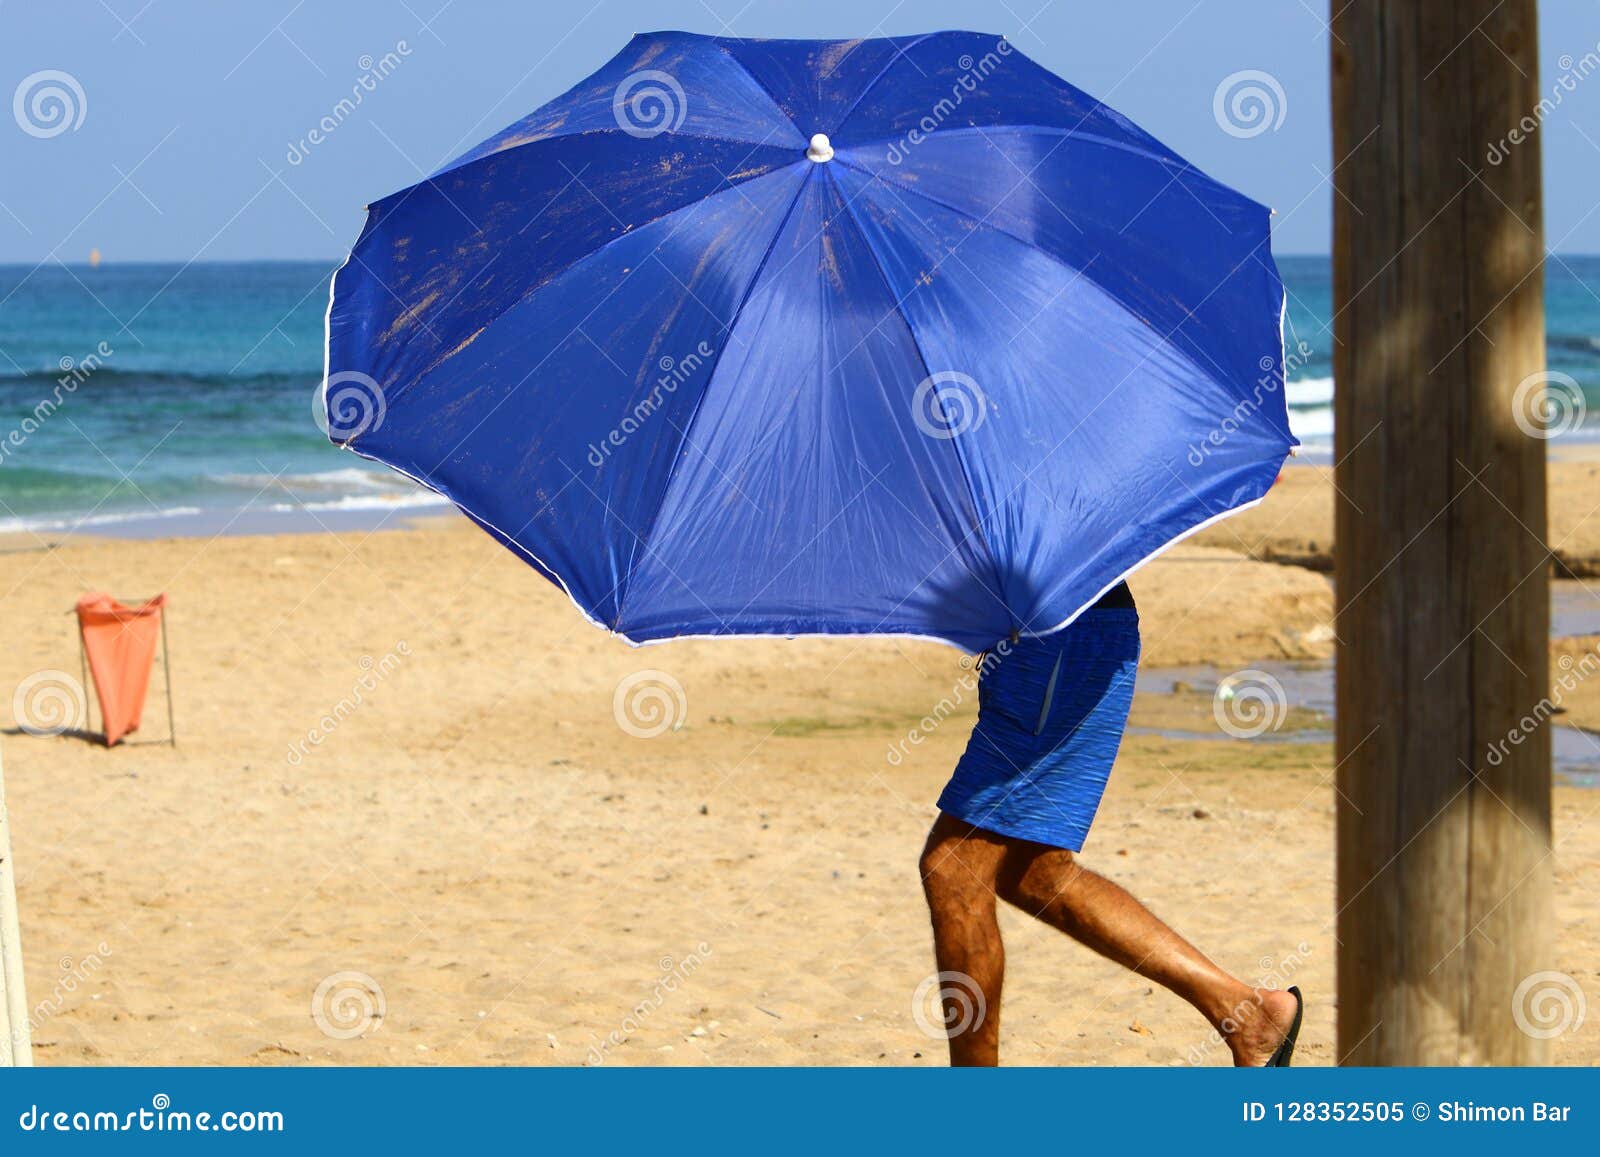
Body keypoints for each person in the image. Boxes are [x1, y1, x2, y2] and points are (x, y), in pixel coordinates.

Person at [919, 581, 1303, 1066]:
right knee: (1035, 873)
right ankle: (1247, 1014)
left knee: (954, 869)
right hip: (1043, 638)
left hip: (1056, 635)